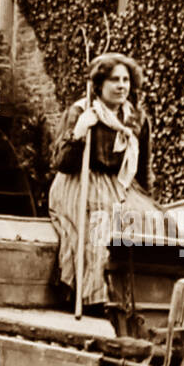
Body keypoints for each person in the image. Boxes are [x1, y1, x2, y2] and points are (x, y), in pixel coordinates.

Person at [48, 52, 158, 313]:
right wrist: (79, 131)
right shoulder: (81, 111)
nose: (122, 86)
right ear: (98, 85)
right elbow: (62, 163)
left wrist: (149, 199)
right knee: (102, 221)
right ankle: (95, 299)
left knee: (148, 221)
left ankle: (131, 296)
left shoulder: (136, 119)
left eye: (126, 80)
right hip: (79, 181)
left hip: (120, 184)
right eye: (114, 80)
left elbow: (142, 168)